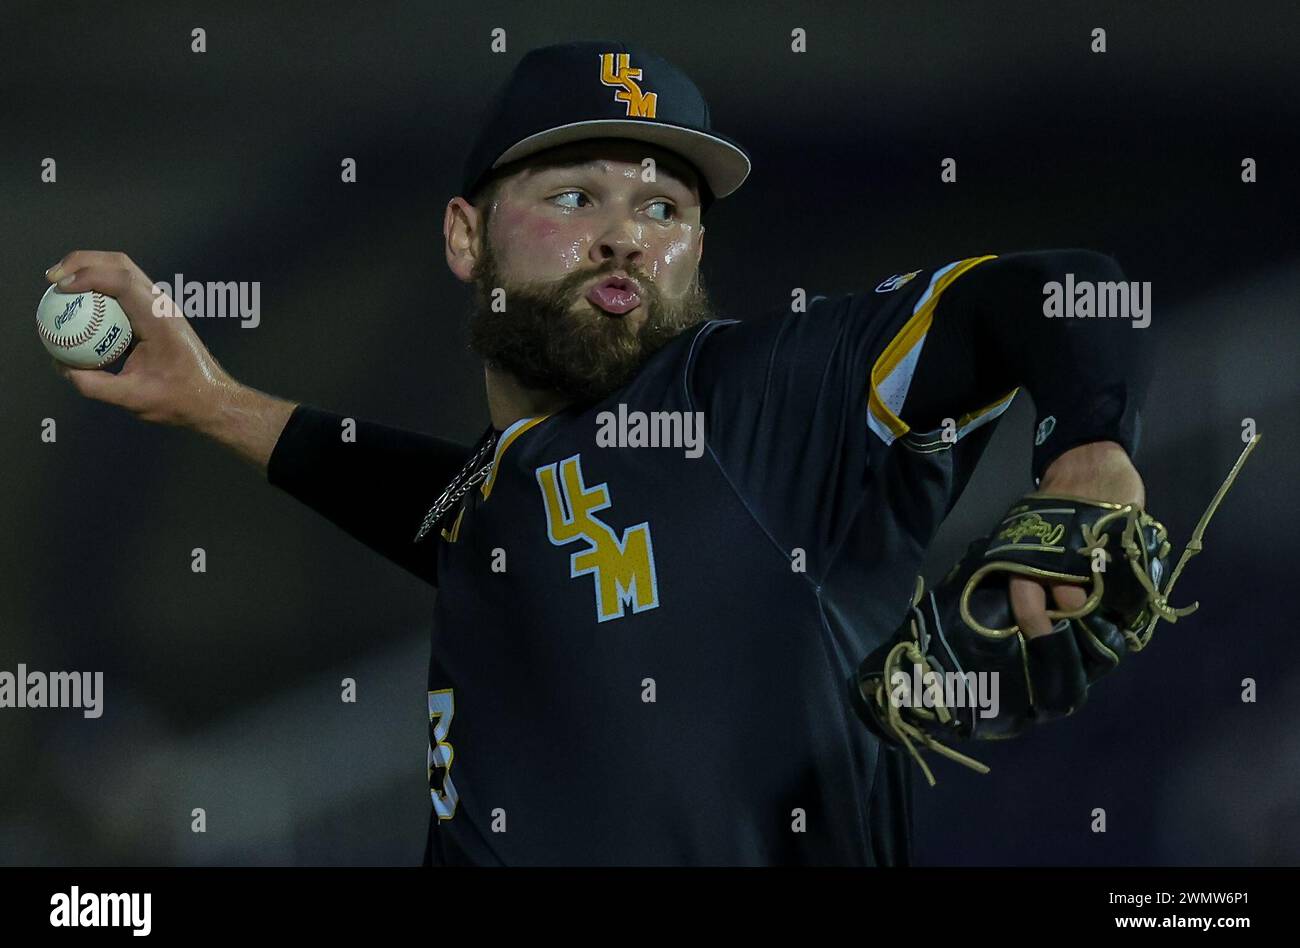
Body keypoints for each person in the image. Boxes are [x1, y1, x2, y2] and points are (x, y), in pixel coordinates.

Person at [47, 40, 1150, 865]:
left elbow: (1067, 288)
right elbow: (458, 516)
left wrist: (1088, 451)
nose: (625, 231)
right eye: (575, 196)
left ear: (698, 246)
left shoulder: (765, 402)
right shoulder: (511, 483)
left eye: (663, 204)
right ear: (463, 235)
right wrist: (215, 400)